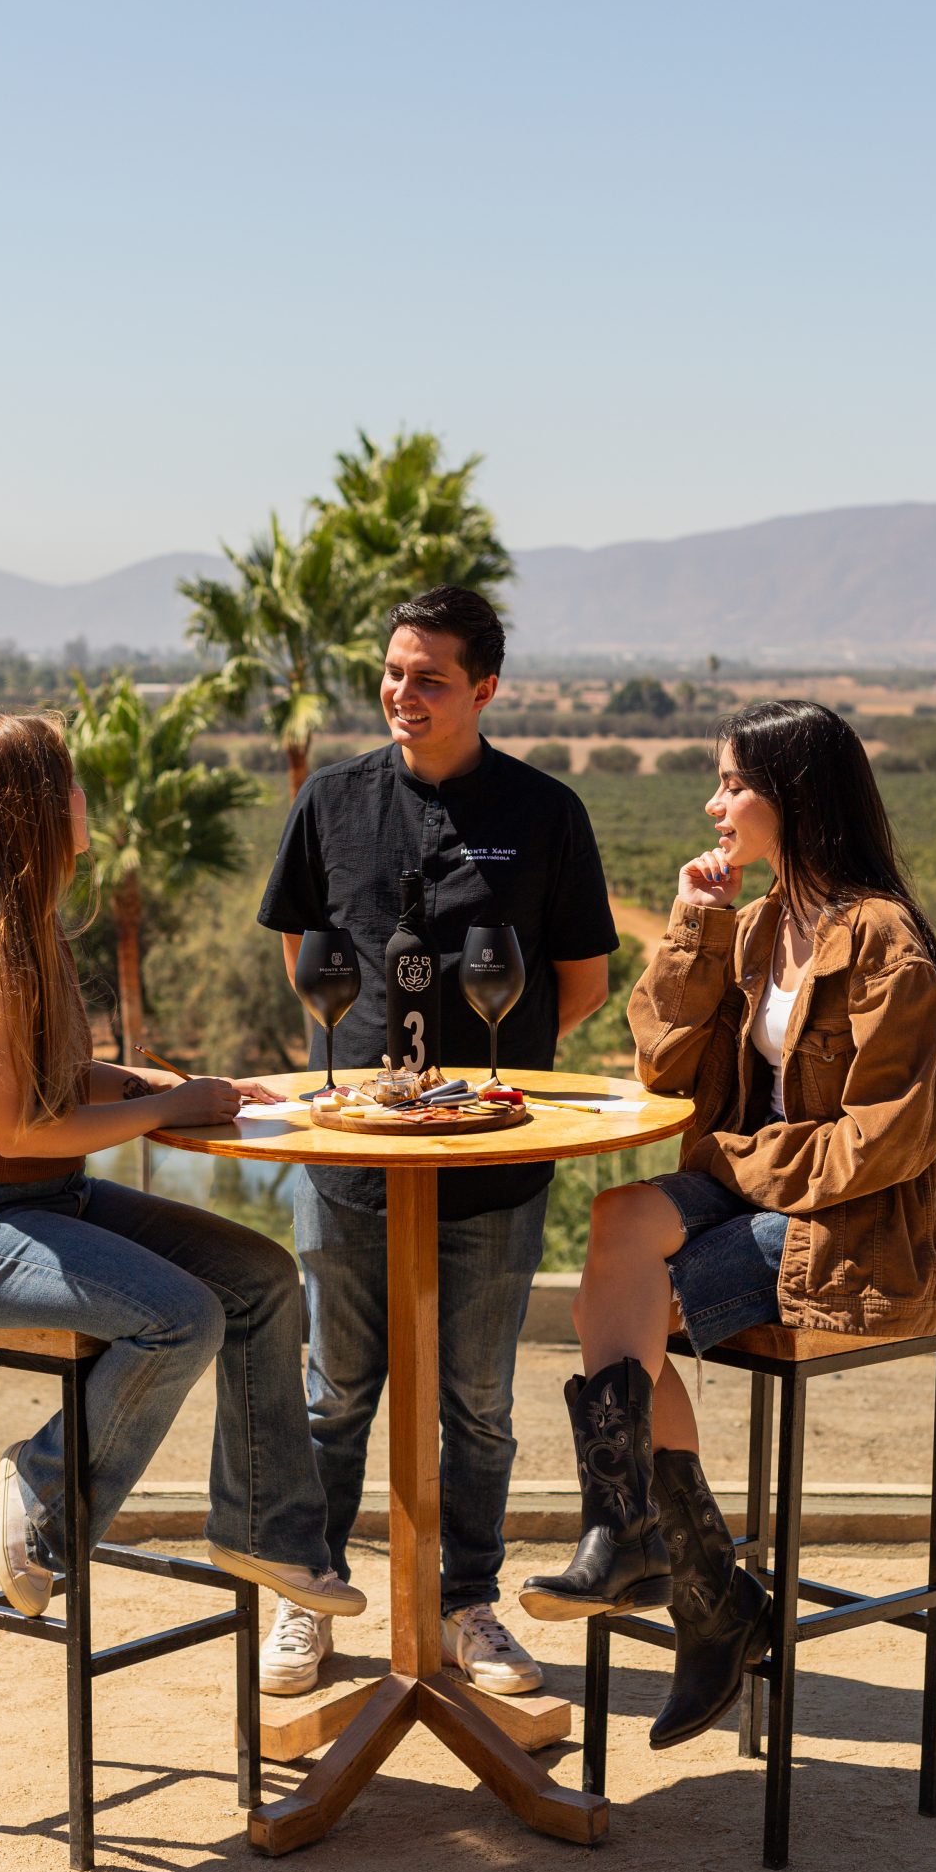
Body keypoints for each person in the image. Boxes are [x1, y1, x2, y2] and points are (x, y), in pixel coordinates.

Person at [520, 698, 936, 1750]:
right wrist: (695, 924)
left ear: (794, 798)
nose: (713, 801)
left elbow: (888, 1145)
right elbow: (664, 1071)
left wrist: (733, 1158)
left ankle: (695, 1585)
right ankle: (639, 1537)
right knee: (618, 1229)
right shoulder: (765, 924)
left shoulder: (887, 946)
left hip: (856, 1230)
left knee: (633, 1304)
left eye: (731, 782)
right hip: (765, 1189)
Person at [0, 711, 365, 1627]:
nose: (81, 799)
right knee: (178, 1318)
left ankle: (266, 1531)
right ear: (25, 808)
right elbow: (23, 1129)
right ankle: (42, 1492)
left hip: (45, 1204)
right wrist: (162, 1110)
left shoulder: (31, 938)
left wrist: (179, 1084)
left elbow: (63, 1081)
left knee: (262, 1280)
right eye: (66, 783)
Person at [256, 585, 619, 1699]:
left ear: (487, 689)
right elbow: (306, 960)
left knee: (480, 1400)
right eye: (394, 673)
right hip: (353, 1153)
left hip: (495, 1157)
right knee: (334, 1388)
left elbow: (583, 982)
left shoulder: (547, 811)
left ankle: (470, 1607)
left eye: (431, 678)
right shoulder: (332, 800)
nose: (403, 695)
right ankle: (307, 1594)